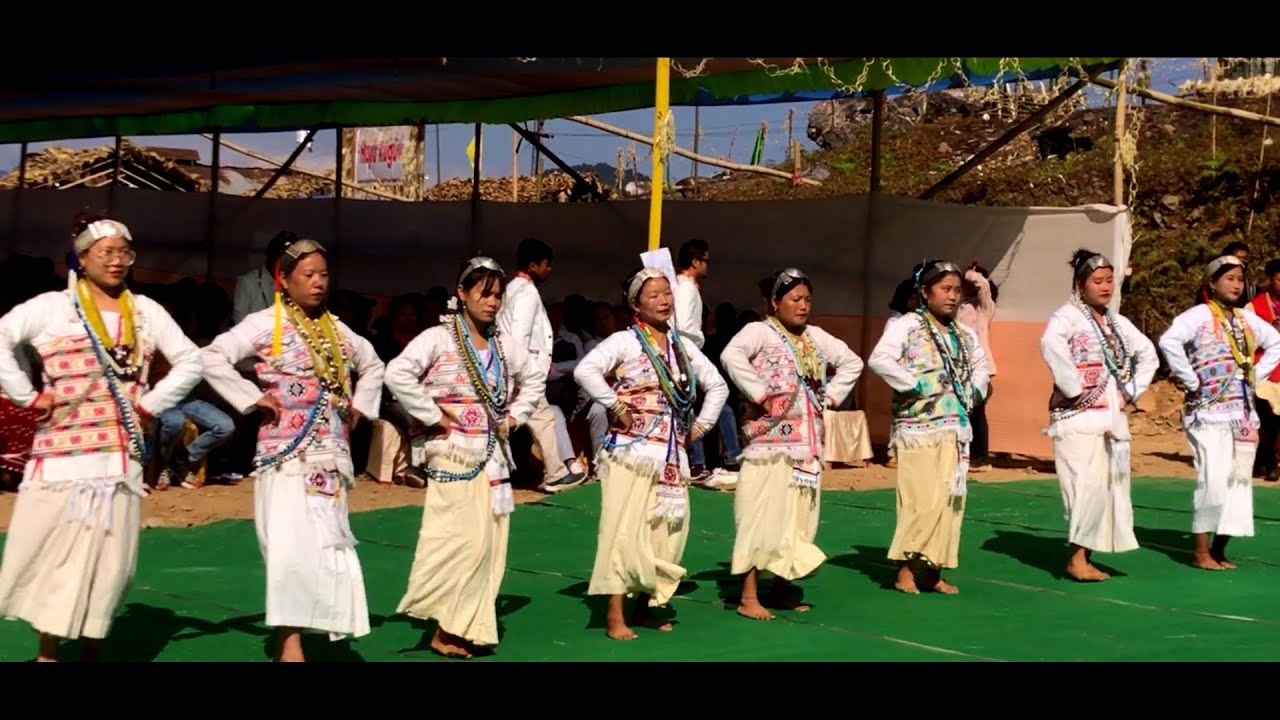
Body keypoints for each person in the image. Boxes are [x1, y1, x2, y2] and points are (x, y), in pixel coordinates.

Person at [0, 212, 202, 661]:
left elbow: (191, 360)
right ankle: (48, 651)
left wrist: (150, 404)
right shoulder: (52, 308)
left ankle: (92, 646)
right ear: (81, 256)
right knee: (53, 555)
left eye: (124, 253)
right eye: (106, 252)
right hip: (62, 458)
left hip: (118, 457)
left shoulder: (146, 312)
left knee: (111, 562)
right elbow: (1, 336)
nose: (116, 261)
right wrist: (26, 396)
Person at [201, 237, 385, 661]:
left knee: (327, 541)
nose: (319, 283)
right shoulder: (265, 323)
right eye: (309, 275)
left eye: (323, 275)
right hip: (285, 453)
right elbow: (213, 355)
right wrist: (252, 398)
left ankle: (317, 625)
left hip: (330, 455)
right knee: (286, 544)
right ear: (284, 280)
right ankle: (289, 641)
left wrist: (360, 407)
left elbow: (373, 364)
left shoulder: (338, 329)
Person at [385, 257, 545, 660]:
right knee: (458, 539)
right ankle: (446, 626)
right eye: (483, 293)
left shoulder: (503, 345)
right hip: (452, 453)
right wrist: (433, 415)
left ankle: (466, 624)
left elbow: (535, 377)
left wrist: (515, 416)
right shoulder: (438, 338)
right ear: (461, 293)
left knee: (490, 543)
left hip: (492, 454)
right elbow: (397, 373)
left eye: (497, 295)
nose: (492, 302)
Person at [573, 267, 728, 640]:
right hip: (631, 452)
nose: (663, 300)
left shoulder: (682, 346)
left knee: (665, 533)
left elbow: (717, 385)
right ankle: (614, 614)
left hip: (672, 454)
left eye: (667, 293)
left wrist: (701, 426)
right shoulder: (624, 342)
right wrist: (616, 405)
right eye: (654, 295)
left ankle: (646, 605)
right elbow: (585, 370)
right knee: (624, 531)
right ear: (636, 305)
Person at [719, 268, 864, 620]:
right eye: (795, 299)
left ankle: (783, 588)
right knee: (759, 515)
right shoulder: (759, 331)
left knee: (797, 520)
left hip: (807, 445)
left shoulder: (815, 337)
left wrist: (831, 395)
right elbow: (730, 355)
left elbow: (852, 362)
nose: (802, 306)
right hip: (767, 443)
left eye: (807, 299)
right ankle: (749, 596)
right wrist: (758, 391)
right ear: (774, 301)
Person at [868, 259, 990, 595]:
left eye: (957, 291)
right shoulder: (907, 325)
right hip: (918, 427)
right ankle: (905, 570)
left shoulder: (962, 333)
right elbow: (880, 359)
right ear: (925, 292)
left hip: (955, 428)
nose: (953, 297)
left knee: (947, 500)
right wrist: (913, 385)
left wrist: (975, 391)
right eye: (945, 289)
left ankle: (933, 569)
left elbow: (981, 365)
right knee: (919, 500)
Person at [1040, 250, 1158, 581]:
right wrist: (1072, 386)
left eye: (1109, 280)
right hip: (1077, 418)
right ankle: (1077, 559)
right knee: (1083, 487)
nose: (1106, 287)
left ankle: (1084, 556)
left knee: (1108, 489)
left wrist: (1131, 390)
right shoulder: (1067, 317)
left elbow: (1148, 353)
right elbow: (1050, 344)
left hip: (1111, 420)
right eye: (1098, 281)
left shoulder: (1118, 322)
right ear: (1081, 284)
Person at [1158, 254, 1280, 570]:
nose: (1236, 285)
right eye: (1229, 279)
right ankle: (1200, 553)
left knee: (1238, 482)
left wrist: (1256, 373)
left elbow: (1276, 341)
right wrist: (1188, 377)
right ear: (1212, 283)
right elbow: (1169, 342)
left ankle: (1219, 549)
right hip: (1207, 413)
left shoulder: (1245, 319)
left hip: (1241, 413)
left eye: (1240, 279)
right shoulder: (1197, 316)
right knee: (1212, 479)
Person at [496, 237, 584, 492]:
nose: (549, 269)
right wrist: (521, 372)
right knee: (541, 418)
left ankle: (552, 471)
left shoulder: (513, 289)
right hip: (523, 369)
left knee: (532, 418)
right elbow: (519, 336)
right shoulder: (525, 293)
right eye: (547, 264)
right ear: (533, 265)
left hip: (515, 368)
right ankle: (555, 473)